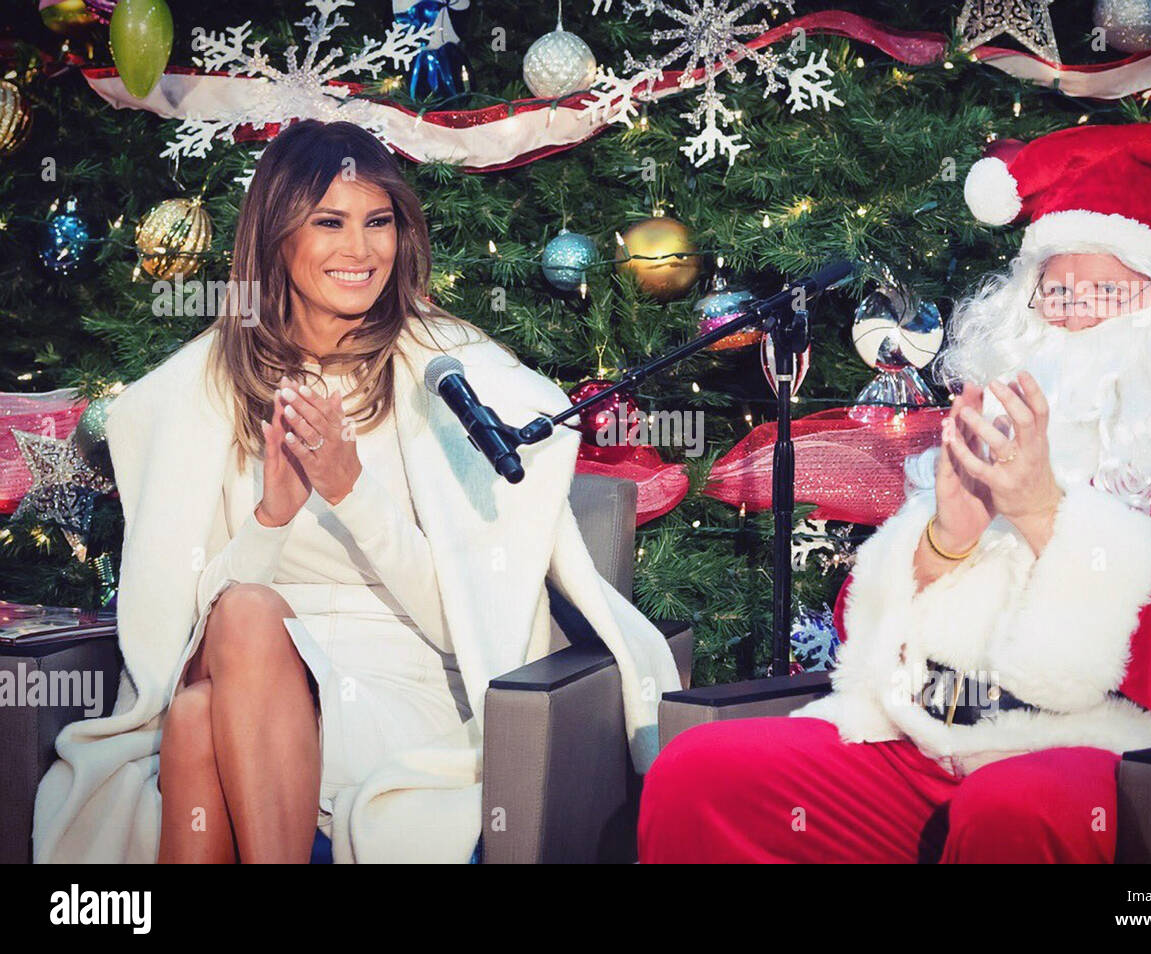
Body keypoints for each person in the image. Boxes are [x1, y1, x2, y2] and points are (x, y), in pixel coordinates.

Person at [638, 123, 1151, 863]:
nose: (1075, 312)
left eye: (1106, 289)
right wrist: (943, 540)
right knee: (705, 773)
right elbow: (865, 635)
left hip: (1122, 743)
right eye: (1055, 289)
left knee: (1014, 807)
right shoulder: (998, 409)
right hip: (939, 720)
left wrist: (1046, 515)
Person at [34, 120, 680, 864]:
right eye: (330, 223)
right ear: (276, 235)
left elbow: (472, 620)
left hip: (404, 695)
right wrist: (273, 517)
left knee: (199, 708)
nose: (361, 251)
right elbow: (190, 627)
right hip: (251, 690)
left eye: (379, 223)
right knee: (211, 674)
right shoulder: (208, 387)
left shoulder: (449, 377)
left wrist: (350, 492)